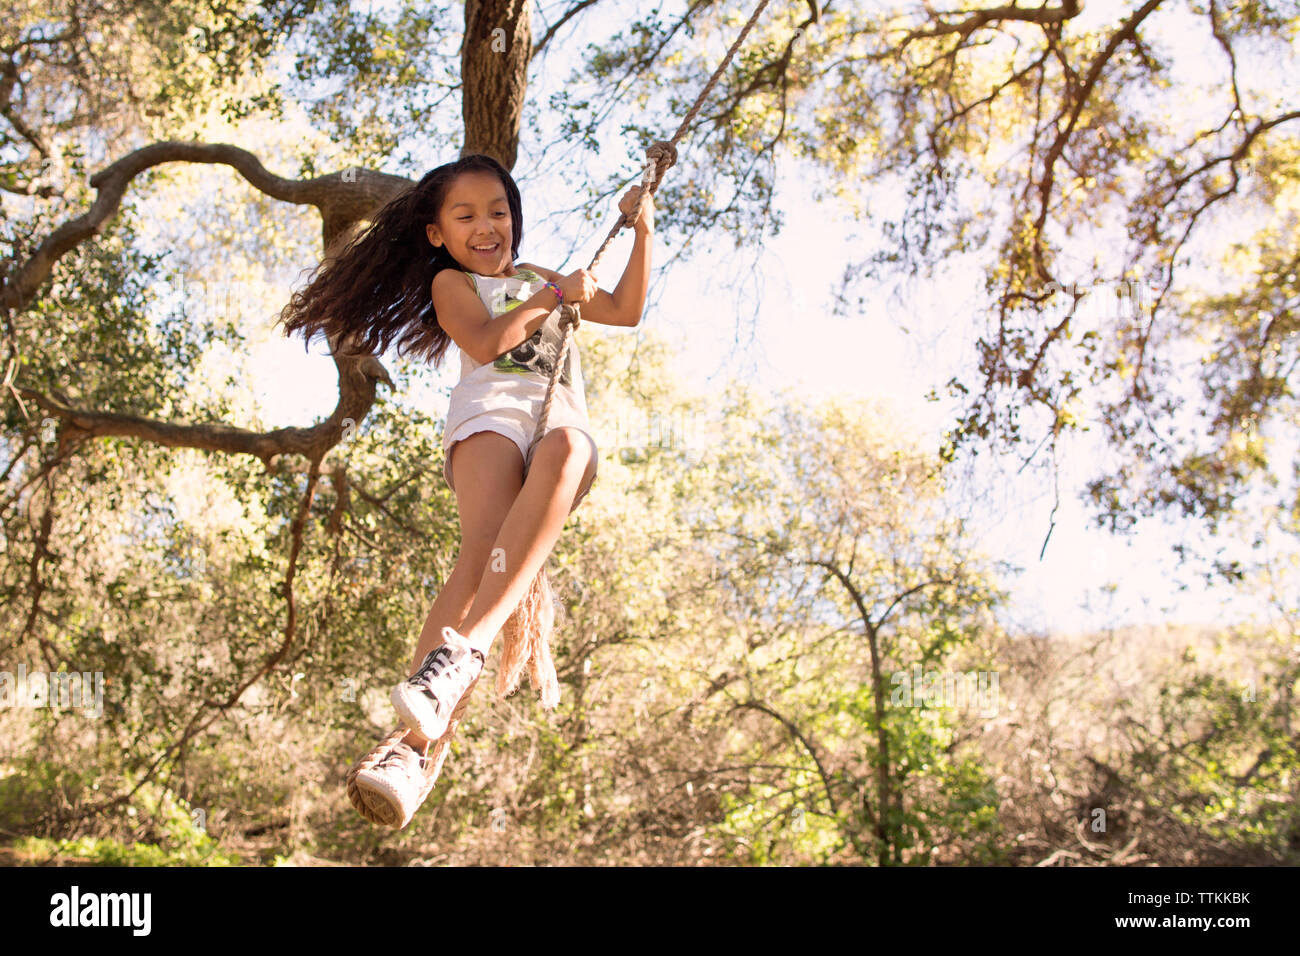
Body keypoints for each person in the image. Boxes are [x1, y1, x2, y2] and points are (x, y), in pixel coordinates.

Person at [277, 153, 653, 822]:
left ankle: (460, 653)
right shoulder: (454, 284)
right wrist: (554, 296)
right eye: (466, 215)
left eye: (499, 211)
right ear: (436, 234)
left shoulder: (541, 276)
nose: (486, 226)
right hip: (489, 415)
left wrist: (642, 228)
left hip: (556, 413)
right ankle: (413, 748)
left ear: (516, 219)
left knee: (570, 446)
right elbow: (484, 343)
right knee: (482, 555)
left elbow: (624, 311)